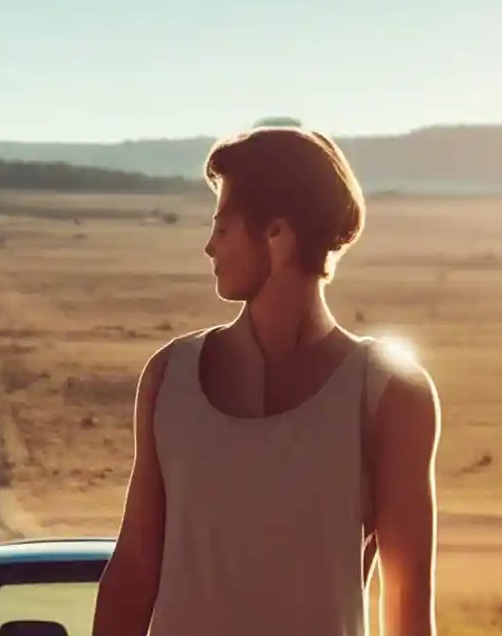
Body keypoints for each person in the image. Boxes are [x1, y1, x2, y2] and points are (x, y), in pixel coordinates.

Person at [91, 126, 441, 635]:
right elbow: (131, 575)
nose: (209, 247)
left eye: (224, 228)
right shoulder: (169, 379)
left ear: (277, 234)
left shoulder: (390, 396)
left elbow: (408, 609)